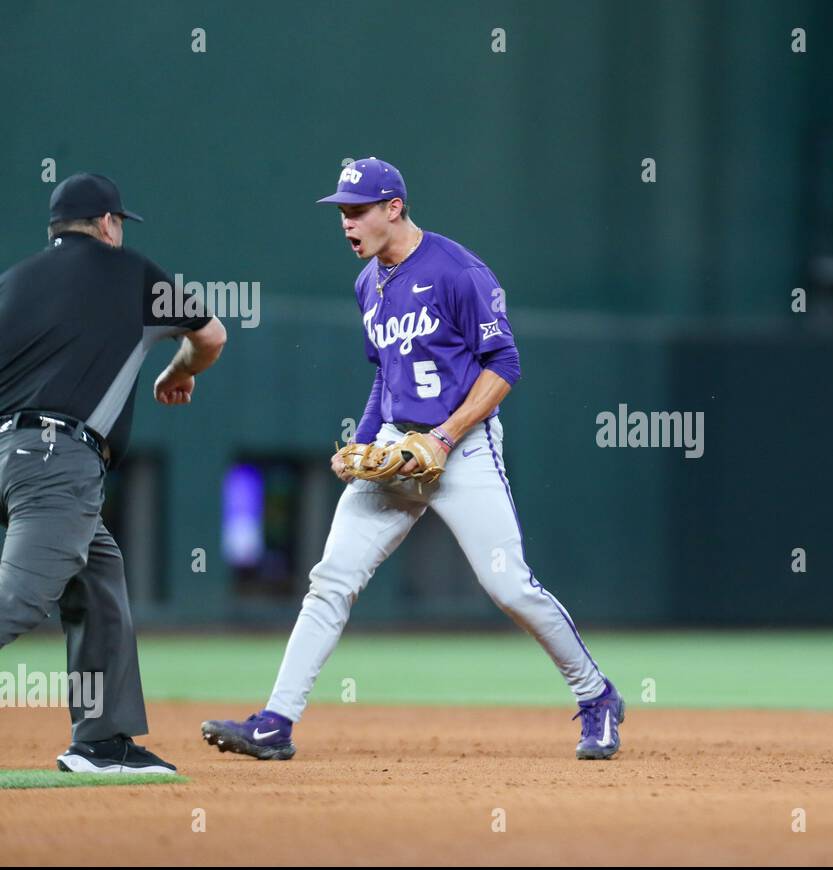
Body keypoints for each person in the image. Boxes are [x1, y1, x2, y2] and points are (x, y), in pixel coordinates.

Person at [201, 157, 625, 761]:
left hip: (465, 451)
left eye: (357, 211)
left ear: (393, 207)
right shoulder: (366, 283)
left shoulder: (458, 271)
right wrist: (368, 439)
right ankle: (276, 722)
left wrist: (446, 437)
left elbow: (504, 365)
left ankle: (596, 697)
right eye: (341, 213)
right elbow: (386, 374)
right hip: (399, 451)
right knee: (330, 583)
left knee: (508, 585)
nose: (346, 223)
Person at [0, 172, 226, 773]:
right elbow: (211, 335)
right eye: (120, 222)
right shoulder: (131, 273)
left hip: (13, 456)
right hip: (56, 460)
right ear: (107, 224)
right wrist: (179, 372)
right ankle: (101, 739)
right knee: (18, 596)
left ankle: (102, 740)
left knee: (98, 572)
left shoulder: (13, 282)